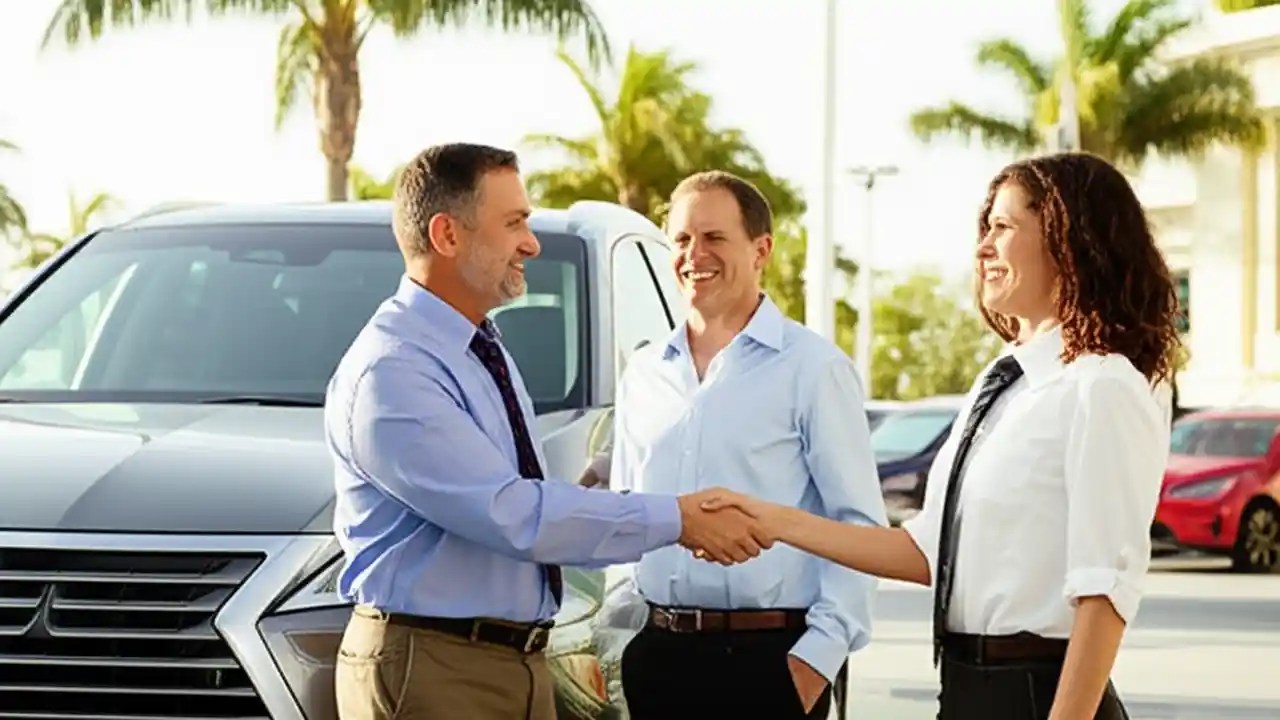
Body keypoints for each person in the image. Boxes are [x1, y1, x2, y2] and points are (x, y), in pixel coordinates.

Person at [700, 151, 1180, 720]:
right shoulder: (1005, 383)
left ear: (1068, 240)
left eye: (1003, 228)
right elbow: (925, 552)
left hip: (1039, 695)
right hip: (967, 690)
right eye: (985, 229)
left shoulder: (1102, 386)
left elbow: (1105, 593)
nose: (983, 248)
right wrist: (769, 519)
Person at [323, 143, 769, 720]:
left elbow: (513, 497)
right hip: (436, 668)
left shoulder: (479, 348)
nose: (530, 243)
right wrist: (680, 520)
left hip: (508, 662)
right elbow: (514, 514)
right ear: (447, 235)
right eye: (514, 224)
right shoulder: (394, 372)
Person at [609, 170, 888, 719]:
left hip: (769, 665)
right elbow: (626, 512)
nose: (695, 254)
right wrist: (621, 637)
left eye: (714, 238)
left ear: (761, 249)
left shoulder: (813, 368)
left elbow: (860, 528)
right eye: (683, 239)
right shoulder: (642, 374)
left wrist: (814, 662)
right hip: (657, 659)